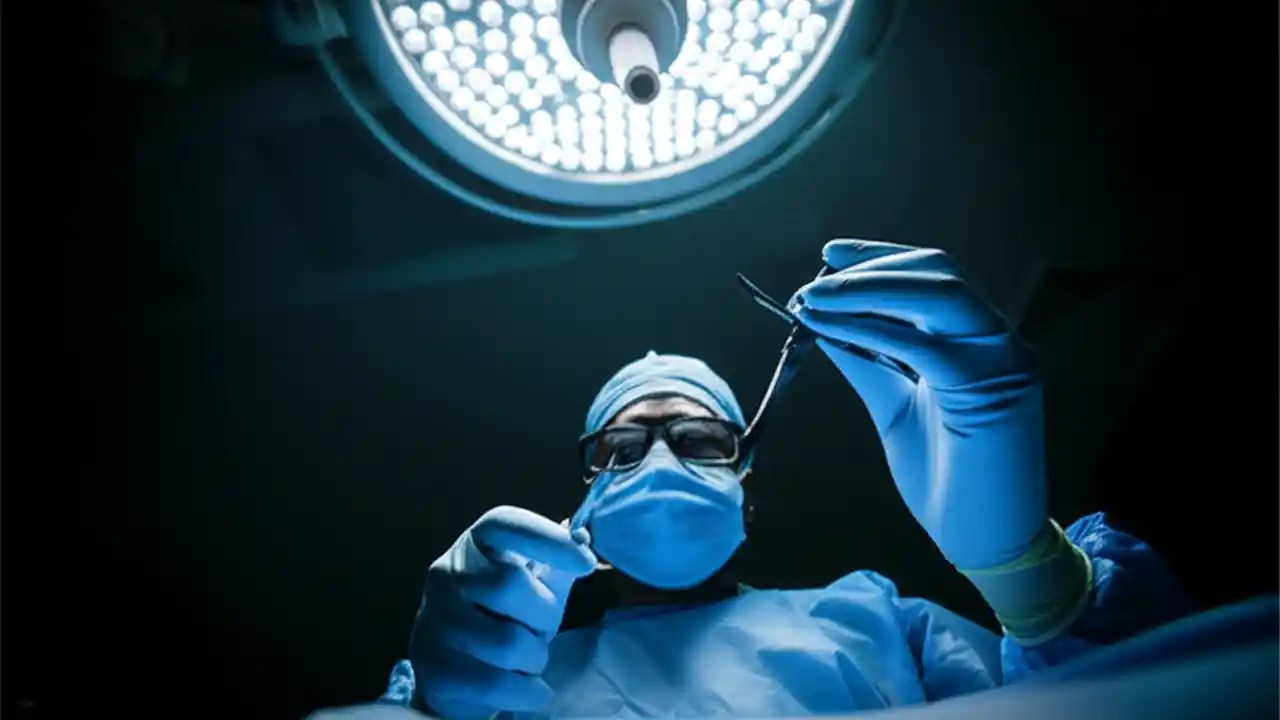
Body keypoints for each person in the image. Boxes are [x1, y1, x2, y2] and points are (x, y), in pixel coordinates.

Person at [376, 240, 1194, 718]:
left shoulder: (873, 621)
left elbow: (1141, 707)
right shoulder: (505, 671)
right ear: (584, 490)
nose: (659, 461)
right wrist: (429, 714)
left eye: (698, 439)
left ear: (747, 480)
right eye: (622, 449)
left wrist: (1030, 576)